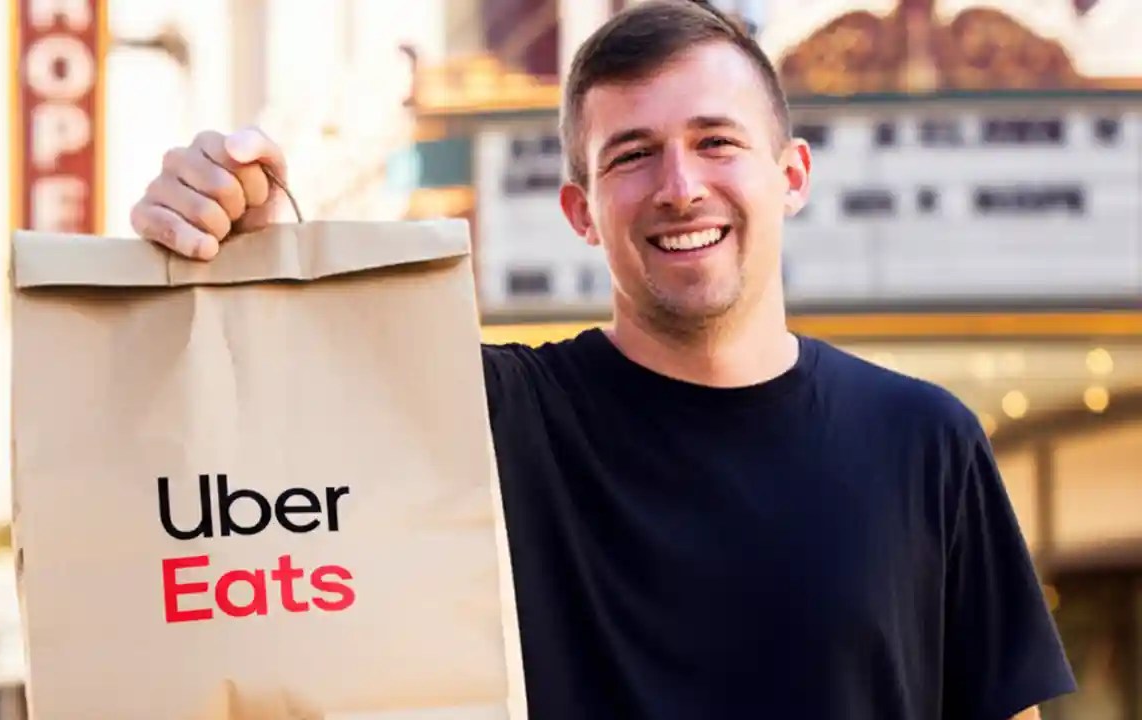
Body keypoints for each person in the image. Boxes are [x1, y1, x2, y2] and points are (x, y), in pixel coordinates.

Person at [128, 1, 1076, 717]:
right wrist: (237, 241)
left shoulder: (926, 441)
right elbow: (261, 400)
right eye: (631, 155)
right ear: (580, 211)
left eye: (716, 142)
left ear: (789, 177)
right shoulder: (492, 415)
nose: (679, 186)